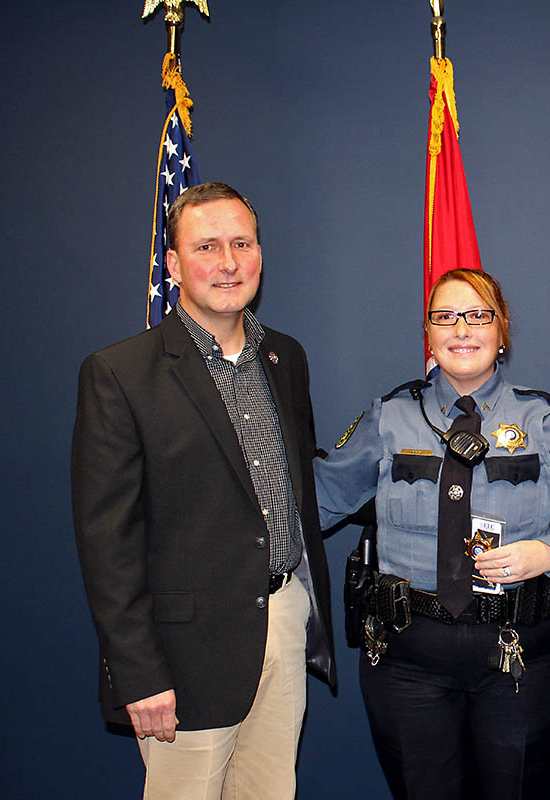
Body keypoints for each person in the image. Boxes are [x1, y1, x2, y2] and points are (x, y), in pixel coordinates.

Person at [313, 268, 550, 799]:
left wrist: (549, 552)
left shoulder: (547, 418)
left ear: (501, 332)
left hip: (519, 656)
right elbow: (314, 501)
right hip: (407, 659)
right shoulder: (388, 418)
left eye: (478, 315)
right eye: (445, 317)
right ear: (428, 337)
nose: (462, 329)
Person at [71, 182, 336, 799]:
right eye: (207, 246)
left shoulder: (285, 358)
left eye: (242, 243)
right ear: (173, 264)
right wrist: (136, 673)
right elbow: (106, 541)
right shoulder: (119, 373)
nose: (228, 263)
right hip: (183, 652)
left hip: (284, 618)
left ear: (260, 254)